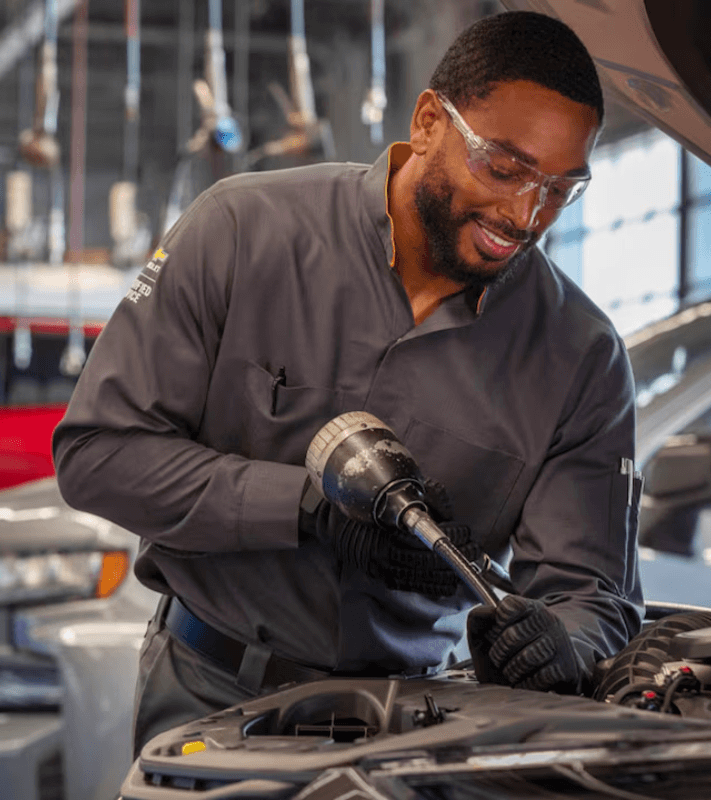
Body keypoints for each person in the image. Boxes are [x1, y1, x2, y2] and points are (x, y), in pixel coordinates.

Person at [53, 10, 643, 753]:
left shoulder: (580, 355)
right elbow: (98, 455)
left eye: (560, 189)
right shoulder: (241, 231)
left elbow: (595, 595)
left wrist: (561, 643)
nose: (524, 214)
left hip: (409, 729)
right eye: (504, 166)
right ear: (430, 120)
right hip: (208, 694)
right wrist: (302, 506)